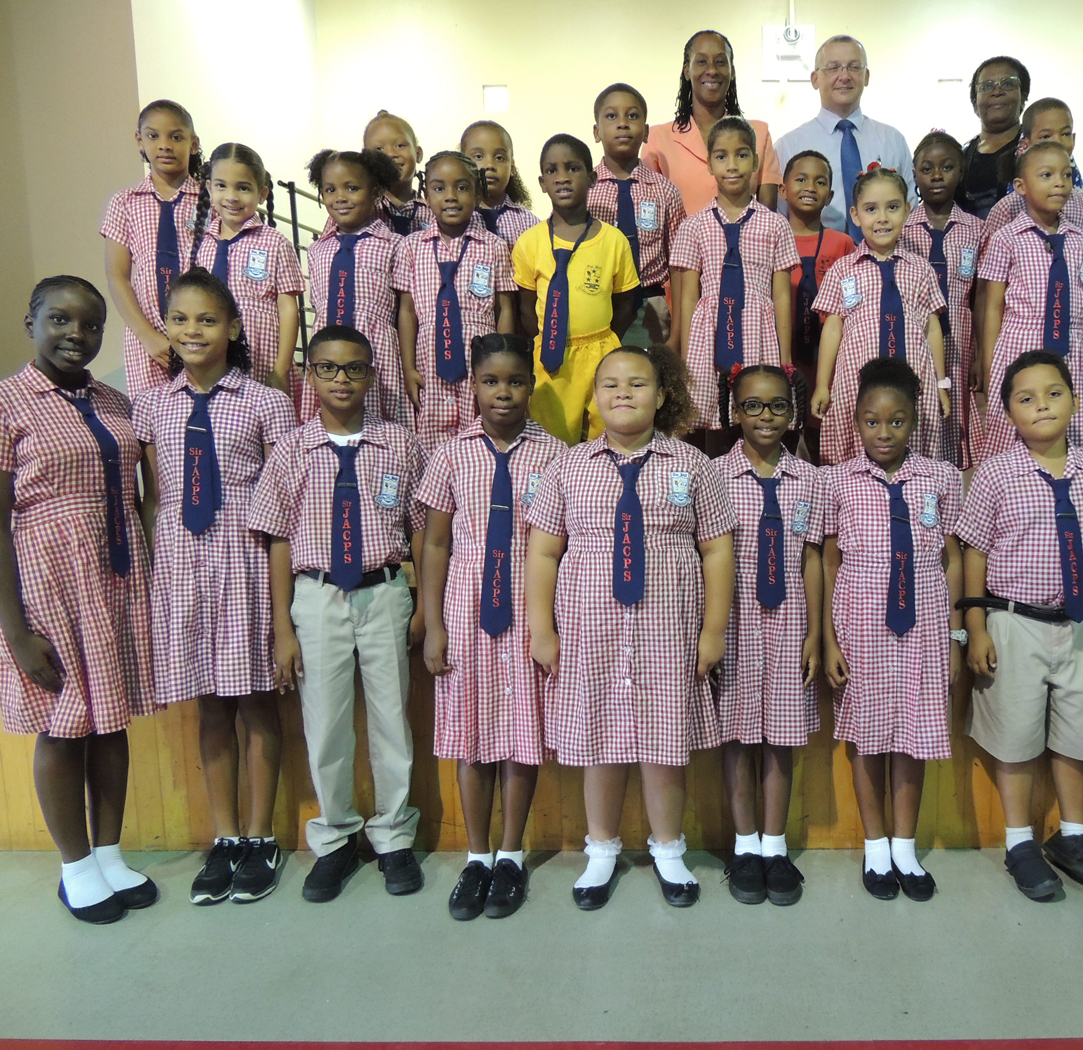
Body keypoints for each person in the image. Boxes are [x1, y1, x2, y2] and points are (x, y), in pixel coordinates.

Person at [525, 345, 736, 910]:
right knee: (599, 737)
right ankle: (601, 849)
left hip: (668, 631)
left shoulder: (694, 466)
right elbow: (542, 552)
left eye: (638, 383)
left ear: (662, 395)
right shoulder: (568, 466)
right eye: (610, 384)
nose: (623, 392)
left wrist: (714, 630)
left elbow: (717, 550)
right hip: (590, 632)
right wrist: (541, 628)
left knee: (666, 741)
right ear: (594, 398)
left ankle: (669, 849)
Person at [133, 268, 295, 906]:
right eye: (180, 319)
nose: (192, 330)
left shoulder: (265, 402)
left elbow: (283, 502)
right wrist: (156, 571)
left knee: (257, 703)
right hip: (182, 563)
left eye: (207, 319)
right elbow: (154, 496)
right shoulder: (153, 405)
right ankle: (225, 837)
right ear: (166, 327)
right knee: (211, 708)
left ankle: (261, 838)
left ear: (233, 327)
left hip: (245, 560)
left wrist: (284, 607)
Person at [250, 325, 427, 904]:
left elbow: (420, 531)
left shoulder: (400, 445)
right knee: (325, 722)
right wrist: (282, 626)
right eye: (327, 368)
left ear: (372, 375)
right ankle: (336, 839)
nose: (341, 379)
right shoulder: (290, 449)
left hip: (384, 591)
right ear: (310, 375)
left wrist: (423, 604)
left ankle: (394, 836)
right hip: (316, 595)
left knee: (391, 719)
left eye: (354, 368)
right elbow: (278, 540)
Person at [0, 276, 157, 924]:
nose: (76, 334)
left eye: (91, 325)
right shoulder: (8, 404)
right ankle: (75, 867)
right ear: (31, 323)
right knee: (64, 726)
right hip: (49, 583)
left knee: (111, 720)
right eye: (60, 319)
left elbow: (140, 495)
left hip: (115, 579)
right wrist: (15, 631)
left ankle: (109, 853)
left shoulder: (116, 401)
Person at [957, 351, 1083, 901]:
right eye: (1026, 399)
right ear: (1008, 412)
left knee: (1080, 732)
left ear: (1075, 400)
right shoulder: (995, 474)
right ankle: (1019, 841)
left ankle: (1073, 835)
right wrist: (976, 626)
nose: (1042, 406)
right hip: (1015, 621)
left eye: (1054, 393)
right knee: (1015, 734)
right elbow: (975, 551)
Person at [419, 333, 567, 921]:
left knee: (522, 733)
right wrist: (433, 624)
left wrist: (550, 622)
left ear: (531, 386)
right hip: (466, 610)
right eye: (490, 381)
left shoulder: (555, 455)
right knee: (471, 733)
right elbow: (435, 543)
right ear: (473, 386)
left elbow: (562, 543)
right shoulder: (450, 454)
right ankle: (477, 857)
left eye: (514, 381)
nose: (502, 393)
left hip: (529, 604)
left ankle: (510, 856)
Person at [823, 358, 962, 901]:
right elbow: (829, 562)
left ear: (915, 420)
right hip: (860, 620)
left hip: (924, 620)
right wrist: (829, 639)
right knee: (868, 735)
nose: (884, 432)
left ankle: (905, 846)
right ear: (856, 422)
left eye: (897, 421)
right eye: (872, 421)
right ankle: (876, 846)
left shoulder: (941, 478)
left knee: (914, 734)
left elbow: (951, 558)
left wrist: (955, 636)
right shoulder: (837, 481)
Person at [714, 364, 823, 906]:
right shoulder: (713, 476)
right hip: (733, 622)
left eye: (778, 405)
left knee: (782, 737)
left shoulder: (812, 480)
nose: (765, 416)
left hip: (788, 624)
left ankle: (775, 847)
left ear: (793, 412)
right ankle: (744, 846)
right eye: (752, 405)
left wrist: (816, 633)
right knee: (737, 736)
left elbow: (812, 560)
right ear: (734, 412)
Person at [673, 117, 799, 453]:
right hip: (708, 336)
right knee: (713, 432)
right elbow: (688, 297)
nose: (732, 165)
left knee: (758, 420)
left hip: (759, 334)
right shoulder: (693, 226)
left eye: (742, 155)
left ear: (756, 162)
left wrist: (785, 359)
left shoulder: (776, 226)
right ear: (710, 164)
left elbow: (781, 295)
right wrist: (686, 360)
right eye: (721, 156)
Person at [811, 165, 949, 466]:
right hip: (855, 381)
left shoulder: (921, 269)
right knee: (854, 446)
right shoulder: (843, 270)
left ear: (907, 211)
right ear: (856, 215)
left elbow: (931, 327)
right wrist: (822, 384)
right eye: (871, 209)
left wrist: (941, 384)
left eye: (892, 207)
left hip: (915, 378)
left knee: (912, 441)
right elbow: (832, 328)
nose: (882, 218)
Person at [978, 141, 1083, 462]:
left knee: (1065, 428)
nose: (1059, 183)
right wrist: (991, 365)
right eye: (1047, 175)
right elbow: (993, 307)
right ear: (1021, 186)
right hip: (1019, 347)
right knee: (1012, 432)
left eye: (1066, 174)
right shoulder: (1006, 239)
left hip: (1070, 352)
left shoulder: (1081, 239)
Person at [512, 134, 639, 446]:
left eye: (572, 168)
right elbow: (526, 308)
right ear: (542, 183)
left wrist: (604, 342)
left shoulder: (613, 240)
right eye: (552, 170)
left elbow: (626, 303)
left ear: (592, 178)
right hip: (551, 357)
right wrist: (548, 342)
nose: (562, 177)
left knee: (608, 439)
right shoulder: (529, 242)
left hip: (602, 353)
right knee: (551, 441)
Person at [395, 151, 516, 452]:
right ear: (426, 195)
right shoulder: (411, 247)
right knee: (431, 436)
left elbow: (504, 309)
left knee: (481, 437)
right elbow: (407, 311)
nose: (450, 196)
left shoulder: (495, 246)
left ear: (477, 193)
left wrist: (501, 362)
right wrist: (408, 368)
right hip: (428, 359)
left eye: (462, 187)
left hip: (480, 358)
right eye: (439, 188)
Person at [102, 99, 204, 396]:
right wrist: (147, 336)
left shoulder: (210, 200)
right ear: (140, 140)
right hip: (146, 339)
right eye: (153, 135)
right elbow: (117, 276)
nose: (164, 145)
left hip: (201, 332)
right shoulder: (125, 202)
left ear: (193, 143)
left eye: (176, 136)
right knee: (153, 415)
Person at [774, 35, 914, 243]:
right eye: (833, 68)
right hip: (813, 258)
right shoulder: (788, 146)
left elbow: (910, 212)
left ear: (866, 76)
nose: (844, 76)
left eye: (854, 67)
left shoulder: (893, 140)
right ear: (815, 79)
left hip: (884, 257)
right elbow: (780, 218)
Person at [303, 149, 408, 427]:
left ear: (376, 192)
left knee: (377, 425)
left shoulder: (395, 245)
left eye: (352, 188)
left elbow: (406, 311)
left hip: (376, 350)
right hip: (326, 351)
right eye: (330, 190)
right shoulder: (316, 250)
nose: (340, 197)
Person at [190, 143, 304, 395]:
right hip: (211, 361)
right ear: (209, 187)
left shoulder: (275, 242)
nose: (231, 196)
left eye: (243, 188)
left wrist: (281, 368)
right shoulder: (201, 244)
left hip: (262, 364)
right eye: (221, 185)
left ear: (262, 193)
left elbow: (288, 308)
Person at [901, 130, 984, 468]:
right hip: (917, 338)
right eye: (927, 169)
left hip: (963, 339)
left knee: (960, 407)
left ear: (960, 171)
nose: (936, 176)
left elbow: (981, 297)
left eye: (947, 167)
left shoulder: (977, 230)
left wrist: (981, 353)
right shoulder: (902, 230)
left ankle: (957, 481)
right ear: (915, 174)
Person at [587, 83, 686, 348]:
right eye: (611, 116)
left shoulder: (665, 191)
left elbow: (679, 266)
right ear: (596, 132)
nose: (622, 123)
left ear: (646, 132)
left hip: (649, 307)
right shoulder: (584, 190)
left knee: (649, 371)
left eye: (632, 116)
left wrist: (678, 332)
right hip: (595, 305)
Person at [640, 30, 781, 215]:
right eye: (701, 62)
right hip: (679, 235)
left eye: (720, 62)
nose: (712, 70)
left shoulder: (759, 133)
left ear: (732, 71)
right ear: (687, 71)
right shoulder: (657, 139)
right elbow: (650, 214)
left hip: (746, 235)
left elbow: (768, 216)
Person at [783, 150, 855, 455]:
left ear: (830, 196)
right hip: (783, 356)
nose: (810, 187)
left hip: (827, 362)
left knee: (821, 440)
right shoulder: (771, 237)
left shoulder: (843, 244)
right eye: (801, 179)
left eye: (820, 181)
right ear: (782, 189)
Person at [982, 99, 1083, 242]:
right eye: (1046, 136)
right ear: (1026, 144)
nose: (1058, 142)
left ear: (1073, 139)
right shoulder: (1006, 209)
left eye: (1065, 134)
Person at [956, 57, 1030, 219]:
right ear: (975, 104)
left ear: (1023, 98)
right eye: (987, 86)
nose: (997, 92)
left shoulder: (1040, 150)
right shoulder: (959, 157)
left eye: (1007, 84)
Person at [460, 121, 540, 248]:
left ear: (512, 168)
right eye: (479, 156)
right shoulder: (452, 217)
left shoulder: (529, 224)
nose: (489, 165)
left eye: (499, 158)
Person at [364, 110, 431, 235]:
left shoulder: (432, 211)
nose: (390, 154)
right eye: (379, 149)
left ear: (418, 153)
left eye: (400, 145)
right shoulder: (361, 208)